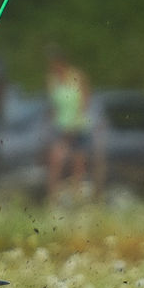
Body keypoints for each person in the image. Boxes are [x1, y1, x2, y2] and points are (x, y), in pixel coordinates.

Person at [44, 49, 95, 202]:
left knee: (78, 162)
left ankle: (77, 195)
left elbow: (85, 100)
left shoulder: (76, 76)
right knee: (56, 161)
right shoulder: (52, 80)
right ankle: (52, 196)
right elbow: (52, 104)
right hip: (61, 126)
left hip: (77, 125)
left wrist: (75, 122)